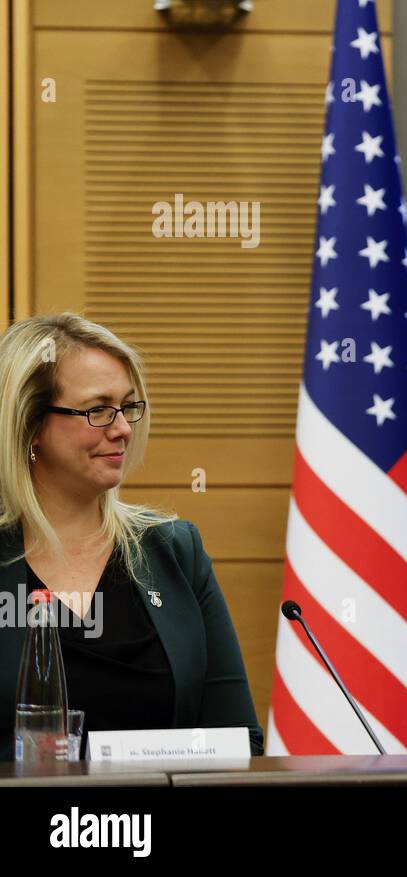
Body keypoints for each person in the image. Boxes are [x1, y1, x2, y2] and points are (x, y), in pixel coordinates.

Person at [0, 313, 263, 758]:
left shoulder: (175, 552)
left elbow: (240, 741)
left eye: (128, 407)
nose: (122, 428)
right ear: (31, 426)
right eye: (98, 410)